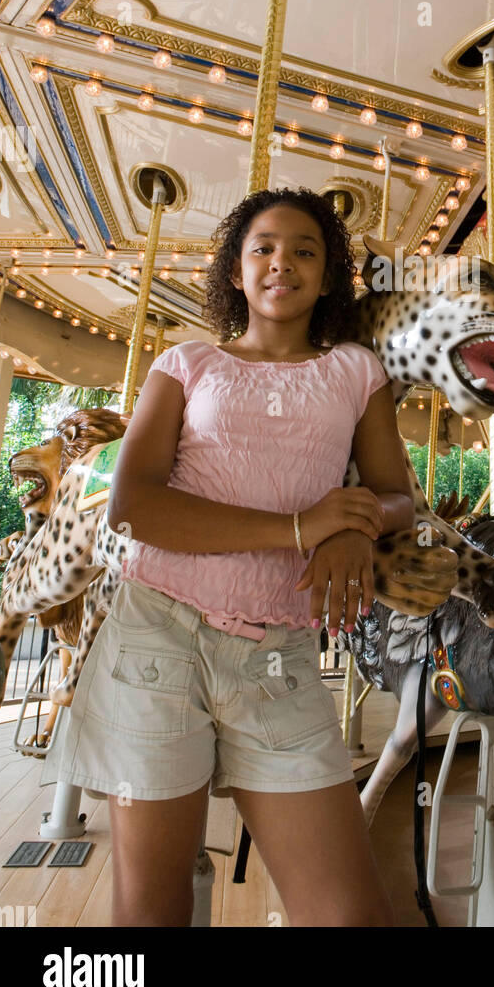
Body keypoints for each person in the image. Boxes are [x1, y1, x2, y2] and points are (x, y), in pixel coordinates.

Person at [50, 187, 414, 926]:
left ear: (329, 272)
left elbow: (397, 496)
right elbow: (137, 506)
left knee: (351, 914)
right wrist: (301, 527)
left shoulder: (356, 373)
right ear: (238, 269)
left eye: (305, 250)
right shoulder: (186, 363)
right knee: (150, 912)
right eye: (264, 248)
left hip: (276, 654)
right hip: (159, 635)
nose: (283, 262)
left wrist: (353, 525)